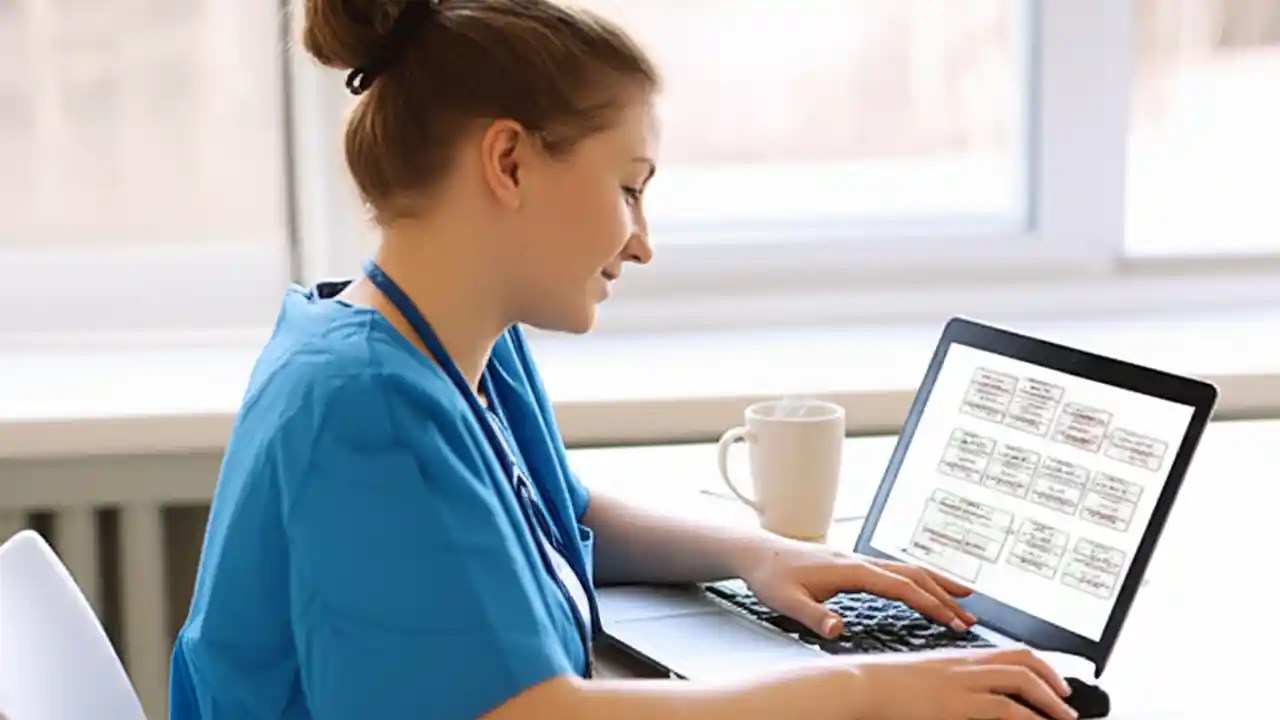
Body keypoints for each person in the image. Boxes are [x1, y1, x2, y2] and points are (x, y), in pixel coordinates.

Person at [169, 1, 1079, 718]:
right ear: (510, 162)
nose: (641, 242)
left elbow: (553, 513)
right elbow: (526, 715)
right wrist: (868, 695)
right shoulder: (364, 405)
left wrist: (757, 556)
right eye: (629, 188)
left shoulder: (444, 343)